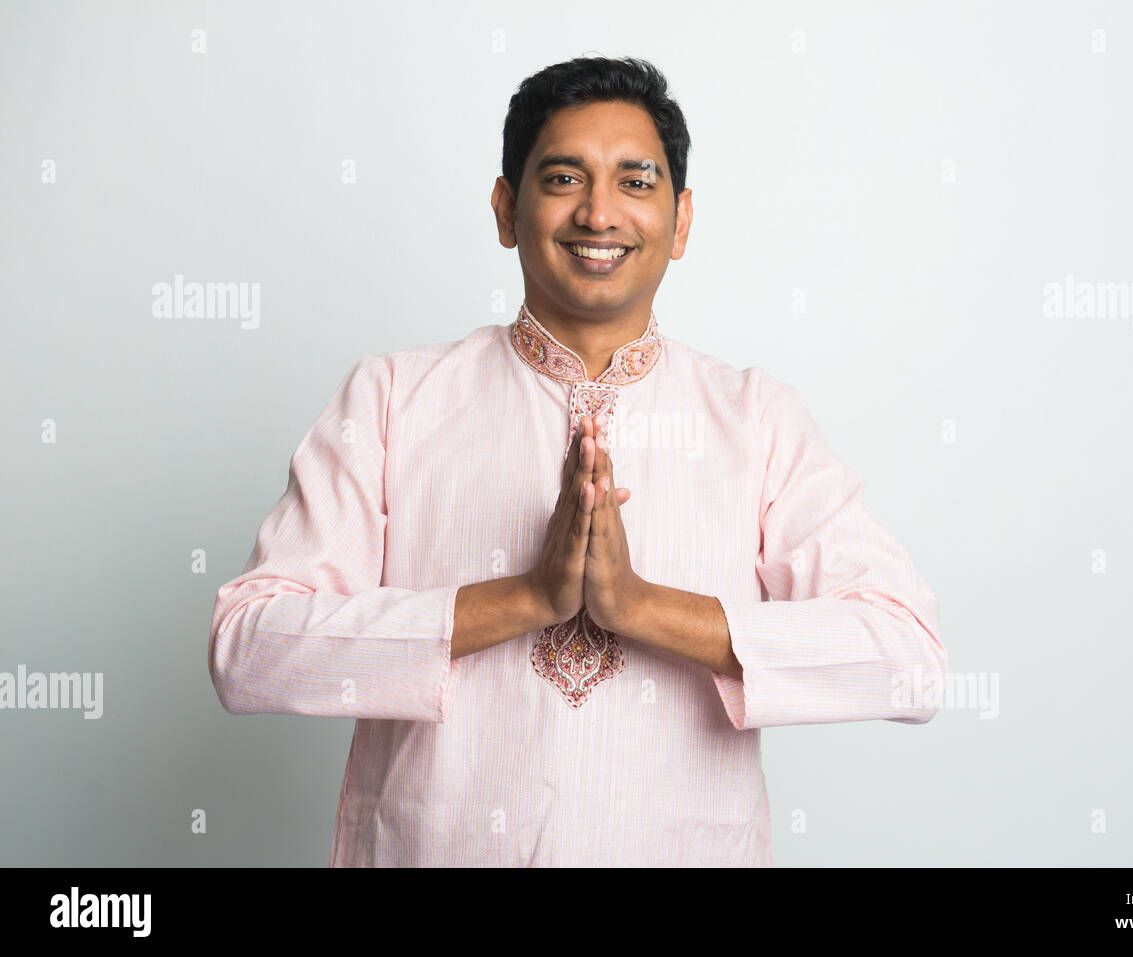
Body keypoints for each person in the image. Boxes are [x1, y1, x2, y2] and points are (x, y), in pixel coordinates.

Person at [208, 55, 947, 867]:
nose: (600, 213)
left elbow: (908, 658)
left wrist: (642, 606)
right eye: (564, 178)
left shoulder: (754, 418)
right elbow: (249, 650)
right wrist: (523, 598)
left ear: (683, 218)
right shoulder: (393, 398)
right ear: (505, 208)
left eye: (636, 182)